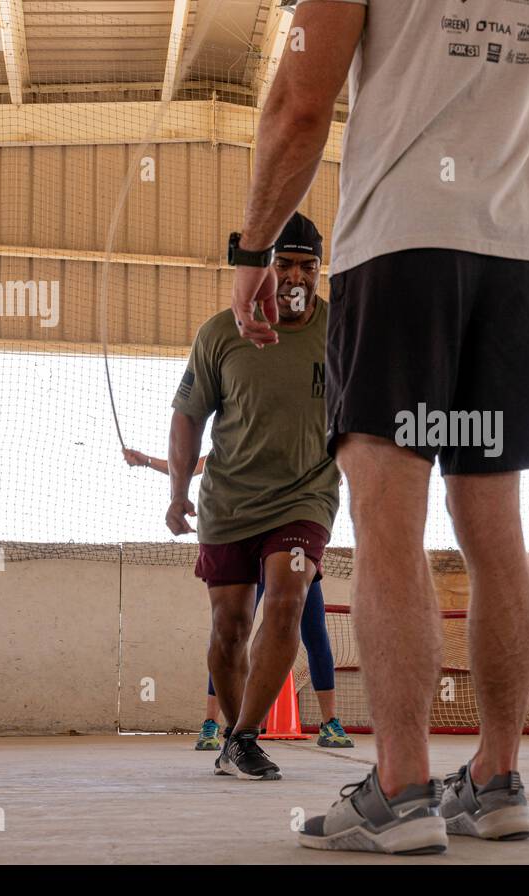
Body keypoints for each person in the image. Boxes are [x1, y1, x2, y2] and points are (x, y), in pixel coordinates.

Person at [228, 0, 529, 853]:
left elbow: (298, 107)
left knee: (391, 522)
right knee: (495, 533)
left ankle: (403, 786)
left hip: (400, 249)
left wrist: (253, 251)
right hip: (513, 256)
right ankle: (496, 780)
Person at [169, 211, 342, 779]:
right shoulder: (220, 333)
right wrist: (177, 494)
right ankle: (229, 734)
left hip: (305, 497)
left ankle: (244, 736)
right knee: (230, 626)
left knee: (289, 597)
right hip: (229, 501)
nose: (294, 276)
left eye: (306, 265)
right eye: (282, 263)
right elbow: (187, 419)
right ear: (258, 267)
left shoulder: (340, 329)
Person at [123, 447, 351, 750]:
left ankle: (331, 723)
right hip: (251, 541)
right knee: (229, 632)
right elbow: (195, 463)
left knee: (315, 634)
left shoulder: (308, 437)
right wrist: (148, 462)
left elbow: (337, 471)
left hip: (293, 543)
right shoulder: (243, 438)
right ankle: (211, 724)